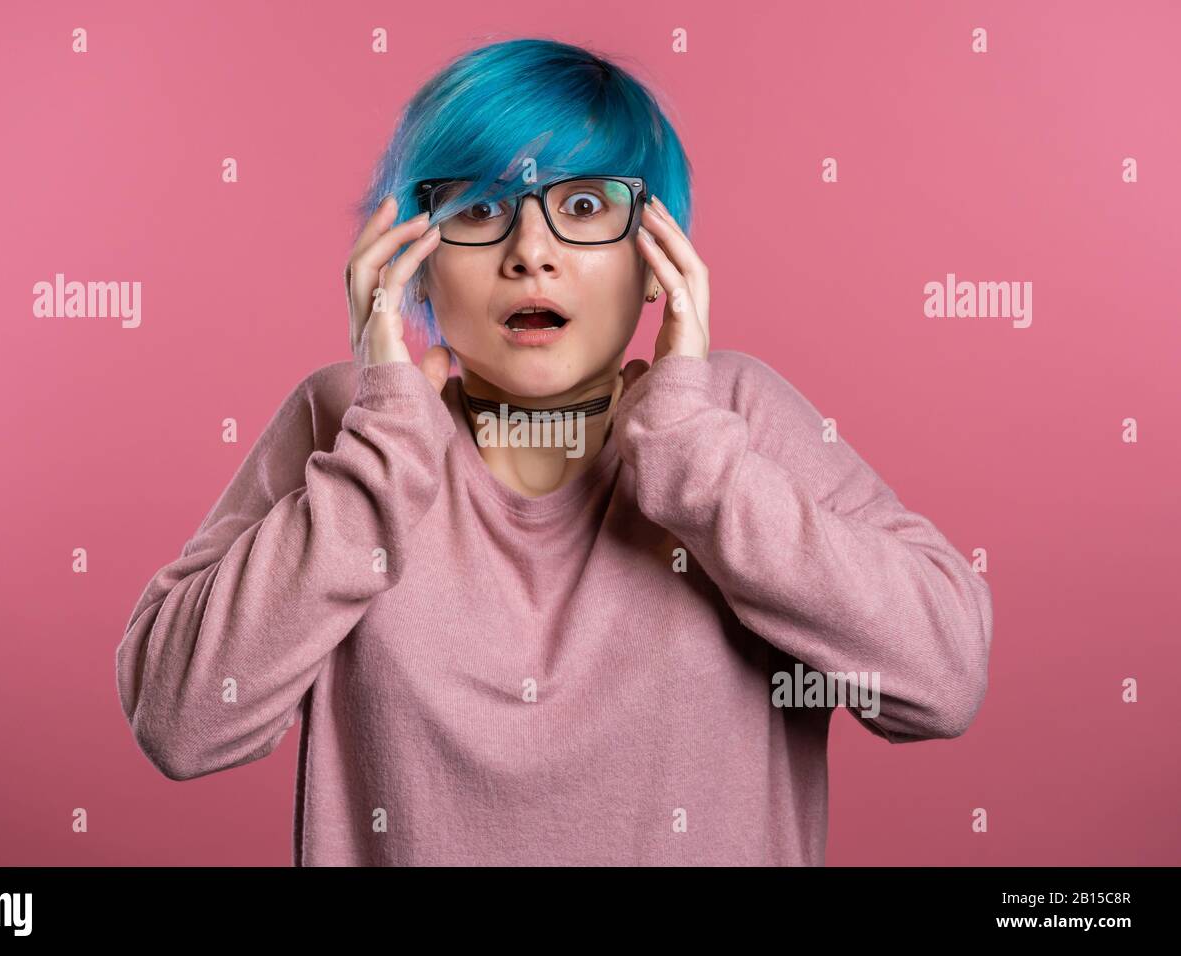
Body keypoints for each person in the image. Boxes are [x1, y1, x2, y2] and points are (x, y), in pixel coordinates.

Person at [116, 37, 993, 866]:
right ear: (411, 261)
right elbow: (180, 721)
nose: (530, 253)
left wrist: (693, 459)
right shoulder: (347, 424)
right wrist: (381, 455)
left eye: (583, 206)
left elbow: (941, 679)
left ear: (658, 259)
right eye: (481, 207)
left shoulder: (733, 418)